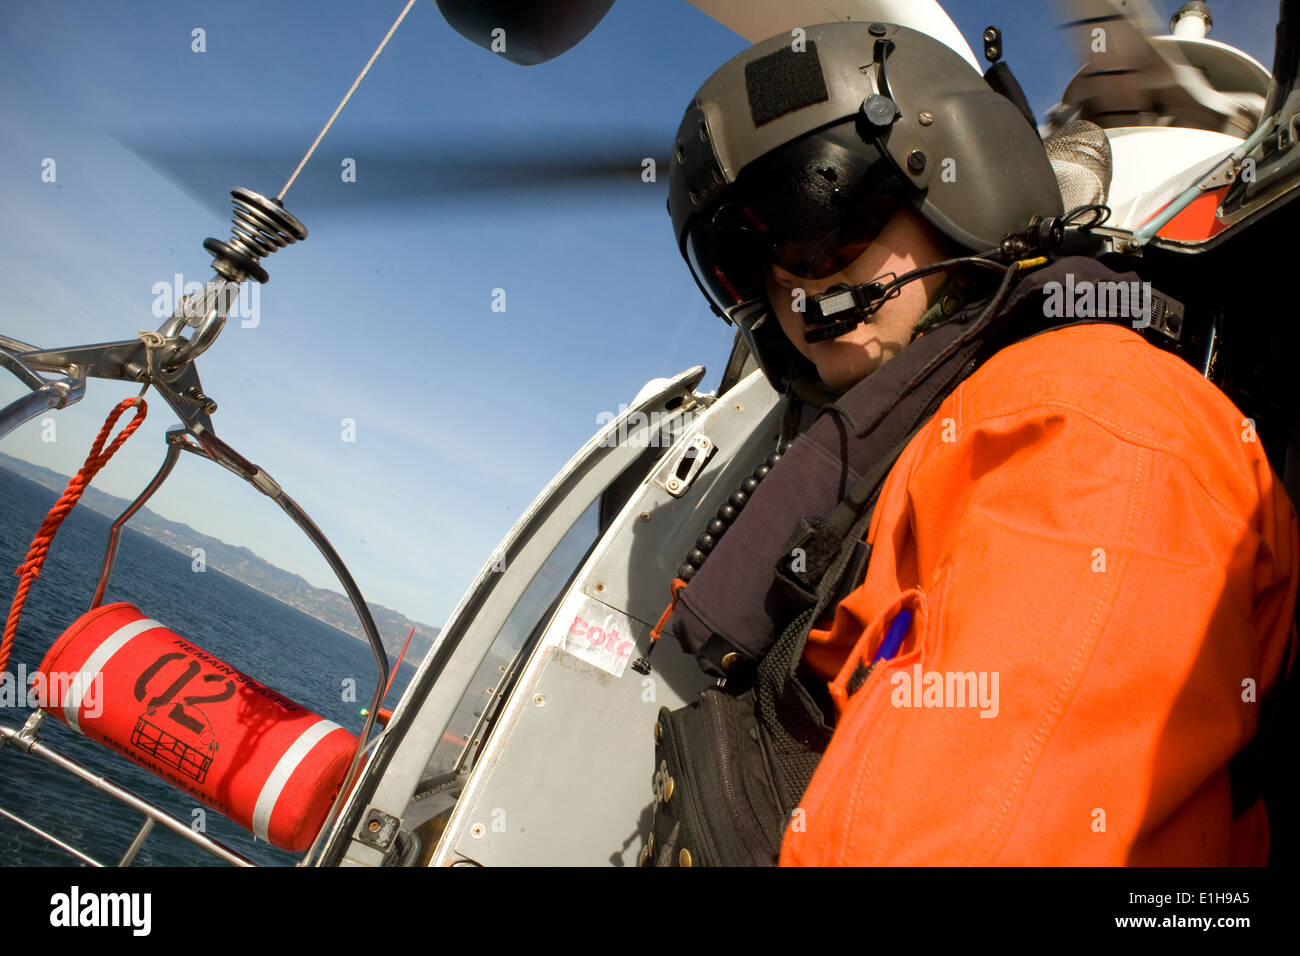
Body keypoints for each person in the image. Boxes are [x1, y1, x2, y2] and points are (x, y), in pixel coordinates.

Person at [648, 20, 1298, 866]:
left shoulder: (1086, 424)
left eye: (815, 219)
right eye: (747, 266)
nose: (797, 293)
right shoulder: (923, 448)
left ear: (958, 175)